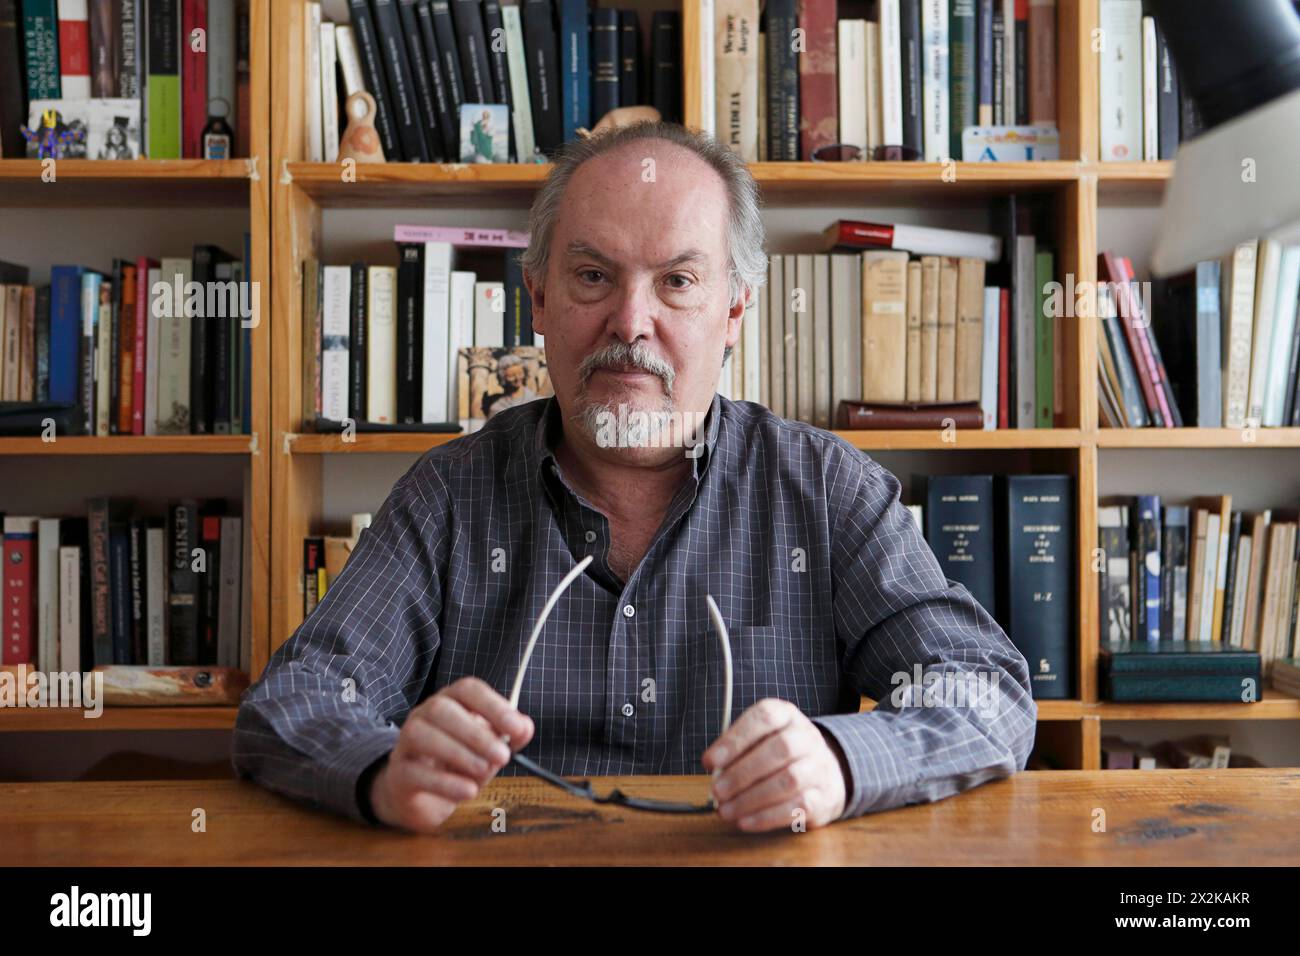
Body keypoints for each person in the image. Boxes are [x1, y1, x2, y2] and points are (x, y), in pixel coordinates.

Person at [232, 121, 1036, 834]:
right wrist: (381, 770)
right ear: (539, 299)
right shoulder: (447, 494)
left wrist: (839, 758)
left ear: (733, 314)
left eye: (677, 282)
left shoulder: (827, 489)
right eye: (593, 276)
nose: (630, 321)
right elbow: (294, 700)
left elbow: (984, 694)